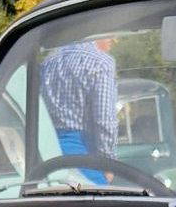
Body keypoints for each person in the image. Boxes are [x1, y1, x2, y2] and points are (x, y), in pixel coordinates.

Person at [39, 34, 117, 182]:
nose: (112, 39)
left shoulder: (49, 61)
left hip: (49, 150)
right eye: (108, 32)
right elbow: (105, 120)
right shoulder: (101, 63)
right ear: (96, 31)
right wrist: (108, 163)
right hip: (82, 152)